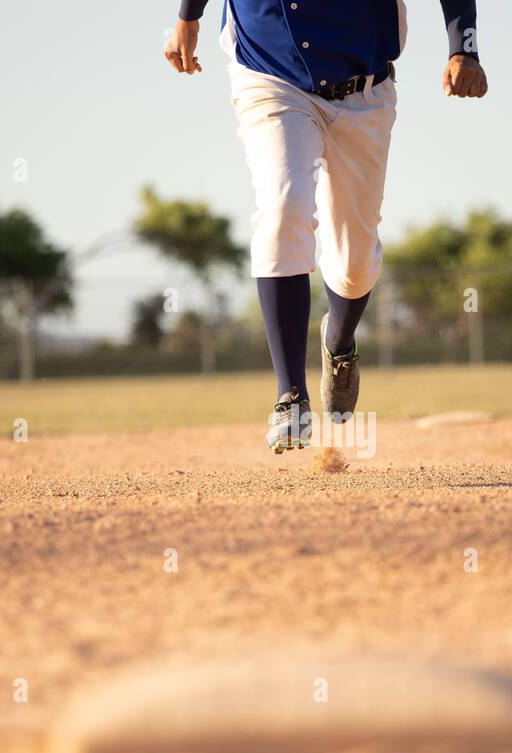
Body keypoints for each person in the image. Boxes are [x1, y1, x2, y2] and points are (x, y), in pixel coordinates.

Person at [164, 1, 488, 452]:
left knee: (355, 261)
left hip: (365, 90)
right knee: (283, 207)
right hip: (270, 76)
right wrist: (187, 18)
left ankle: (339, 341)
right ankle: (290, 397)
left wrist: (463, 48)